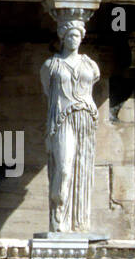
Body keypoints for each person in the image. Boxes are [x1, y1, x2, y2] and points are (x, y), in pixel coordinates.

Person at [40, 17, 100, 232]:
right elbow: (48, 92)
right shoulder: (51, 65)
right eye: (70, 36)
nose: (74, 39)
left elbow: (93, 81)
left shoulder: (90, 65)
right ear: (63, 38)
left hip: (85, 119)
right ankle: (58, 210)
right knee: (64, 168)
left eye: (78, 35)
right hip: (62, 119)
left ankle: (77, 222)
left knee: (81, 168)